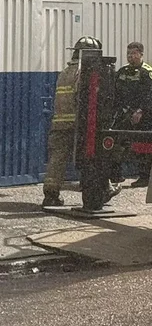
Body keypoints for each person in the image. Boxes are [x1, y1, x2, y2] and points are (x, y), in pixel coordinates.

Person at [43, 37, 101, 207]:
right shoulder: (82, 72)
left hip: (59, 123)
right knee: (91, 157)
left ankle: (51, 194)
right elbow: (83, 99)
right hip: (77, 124)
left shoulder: (65, 72)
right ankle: (99, 190)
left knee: (57, 159)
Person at [113, 41, 152, 187]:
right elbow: (116, 93)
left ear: (141, 54)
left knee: (143, 146)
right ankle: (115, 175)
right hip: (125, 113)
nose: (130, 57)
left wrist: (140, 111)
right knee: (117, 142)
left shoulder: (148, 73)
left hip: (145, 115)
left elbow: (150, 96)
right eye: (128, 54)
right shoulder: (122, 71)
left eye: (133, 54)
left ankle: (145, 176)